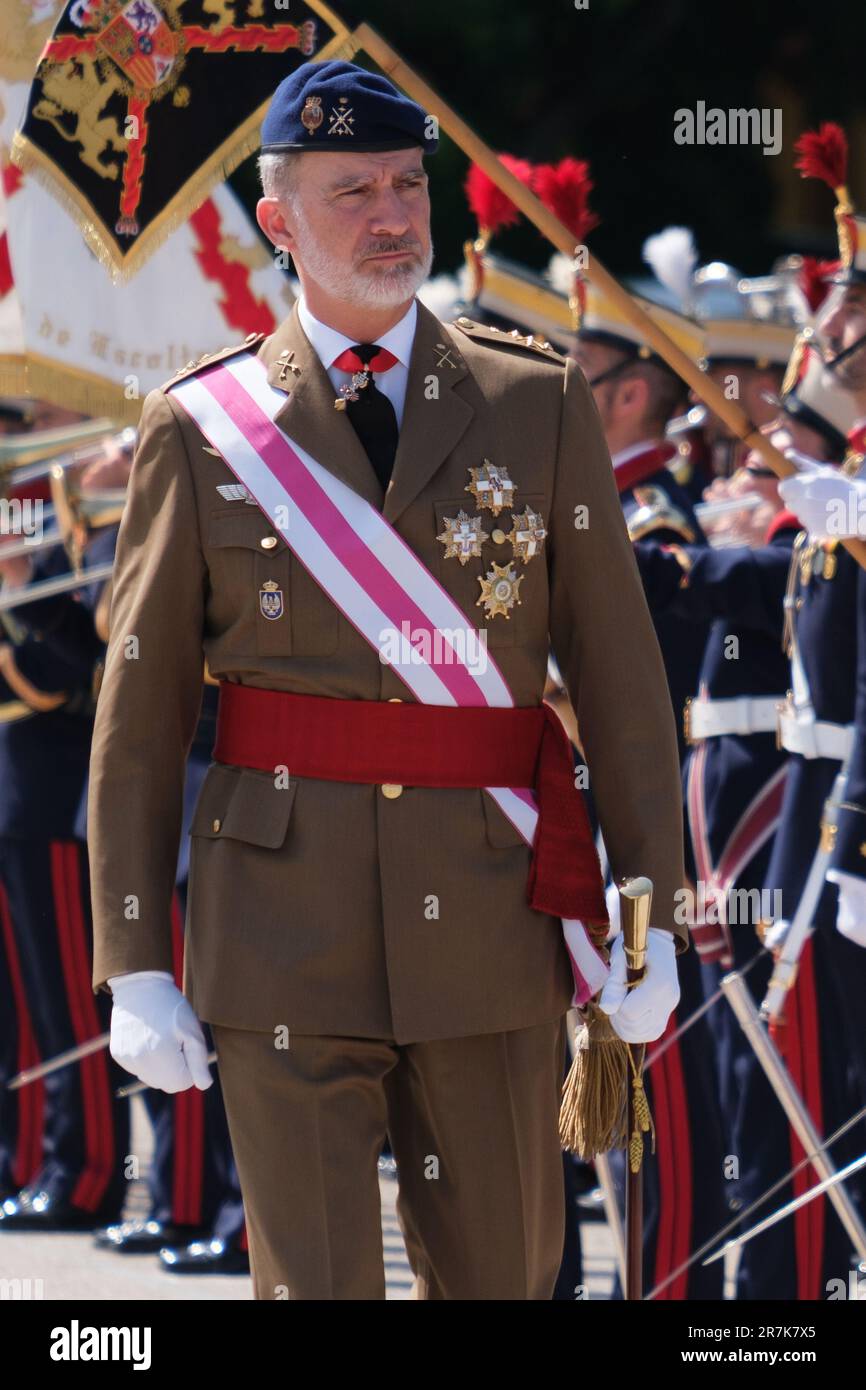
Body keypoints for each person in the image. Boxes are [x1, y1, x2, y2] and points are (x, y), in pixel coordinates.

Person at [88, 59, 684, 1301]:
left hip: (491, 911)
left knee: (503, 1276)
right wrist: (134, 954)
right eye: (350, 191)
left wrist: (652, 912)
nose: (391, 215)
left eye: (407, 185)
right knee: (312, 1284)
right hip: (279, 924)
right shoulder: (200, 428)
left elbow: (622, 681)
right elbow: (138, 715)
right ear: (278, 221)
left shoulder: (535, 401)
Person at [634, 335, 858, 1298]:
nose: (741, 469)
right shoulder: (807, 537)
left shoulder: (828, 534)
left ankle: (786, 1301)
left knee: (794, 1074)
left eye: (780, 448)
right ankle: (768, 1295)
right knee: (750, 1068)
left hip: (805, 818)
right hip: (761, 812)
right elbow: (718, 581)